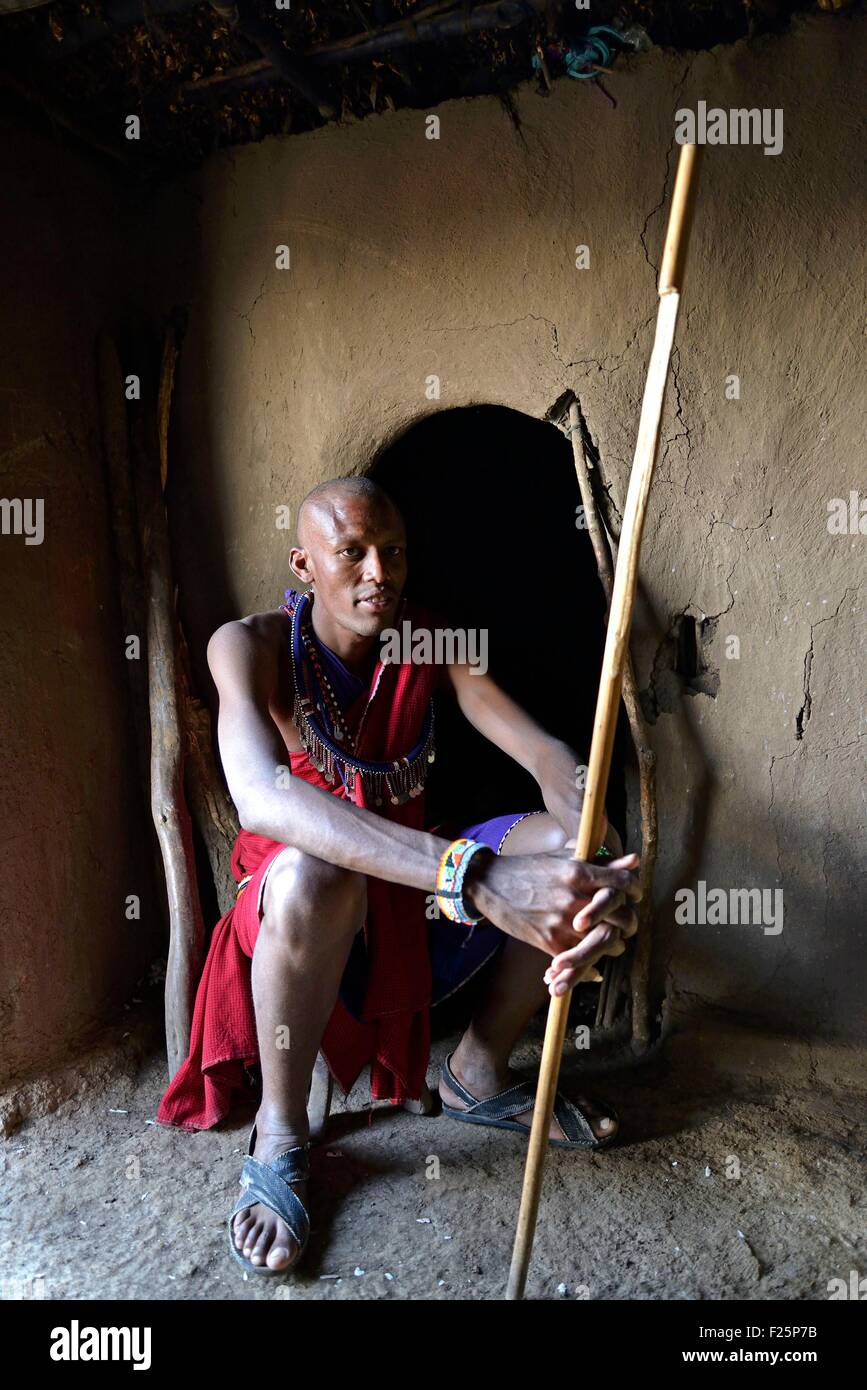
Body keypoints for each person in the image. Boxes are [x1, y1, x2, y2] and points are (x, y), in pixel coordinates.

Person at [157, 476, 641, 1276]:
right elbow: (261, 797)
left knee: (567, 848)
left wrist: (587, 821)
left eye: (393, 552)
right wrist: (469, 875)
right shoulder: (247, 647)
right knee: (319, 873)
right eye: (351, 553)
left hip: (411, 894)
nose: (378, 571)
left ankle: (476, 1074)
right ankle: (282, 1131)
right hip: (299, 910)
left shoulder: (429, 641)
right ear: (304, 564)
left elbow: (539, 750)